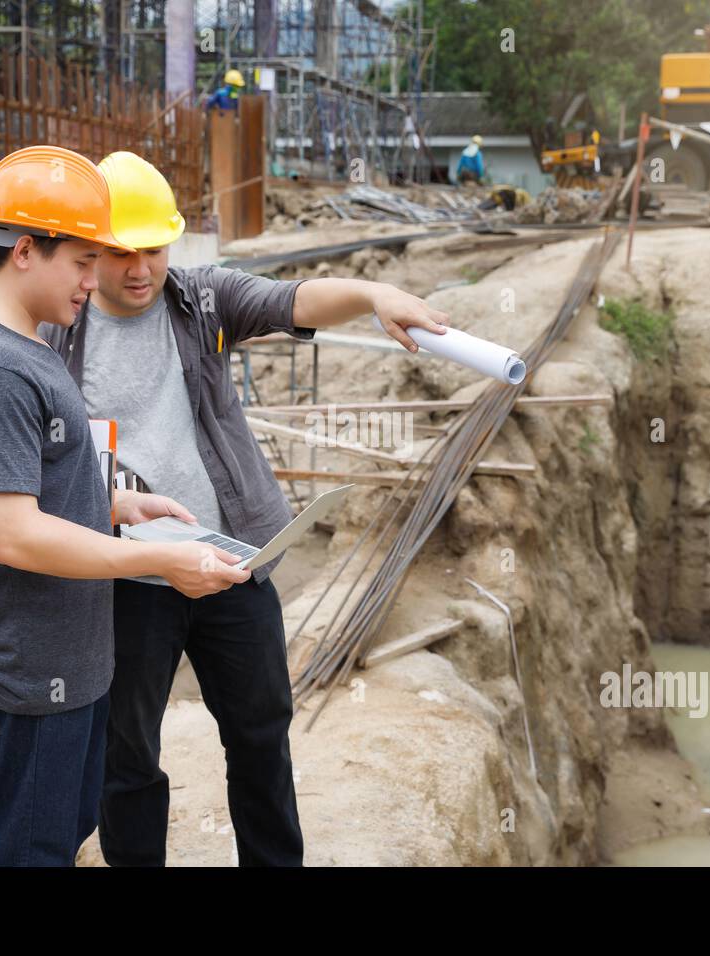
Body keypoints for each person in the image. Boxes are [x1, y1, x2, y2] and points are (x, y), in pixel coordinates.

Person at [39, 150, 450, 866]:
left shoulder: (199, 300)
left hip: (232, 560)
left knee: (260, 732)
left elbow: (292, 300)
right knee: (126, 755)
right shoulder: (55, 336)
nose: (140, 269)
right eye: (119, 253)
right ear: (86, 252)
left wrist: (373, 294)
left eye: (155, 250)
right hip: (130, 577)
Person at [0, 145, 250, 867]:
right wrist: (161, 557)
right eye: (81, 261)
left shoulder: (28, 351)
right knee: (28, 851)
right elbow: (13, 535)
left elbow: (34, 489)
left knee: (60, 832)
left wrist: (113, 505)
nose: (95, 280)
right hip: (31, 669)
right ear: (27, 250)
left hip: (66, 661)